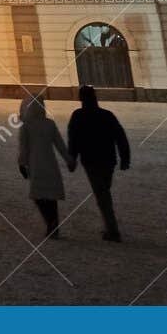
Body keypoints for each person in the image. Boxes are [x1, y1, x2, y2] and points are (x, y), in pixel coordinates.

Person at [67, 85, 131, 241]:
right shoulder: (107, 115)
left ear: (80, 98)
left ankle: (113, 230)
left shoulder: (78, 116)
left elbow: (73, 140)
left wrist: (72, 159)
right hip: (109, 160)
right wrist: (125, 158)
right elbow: (120, 137)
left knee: (102, 195)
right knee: (104, 192)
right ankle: (110, 227)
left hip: (91, 161)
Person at [17, 95, 70, 239]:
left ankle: (50, 223)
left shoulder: (26, 126)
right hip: (50, 163)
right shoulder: (49, 124)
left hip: (35, 164)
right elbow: (60, 144)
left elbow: (24, 148)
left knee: (39, 196)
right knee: (51, 196)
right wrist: (69, 160)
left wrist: (22, 164)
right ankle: (54, 224)